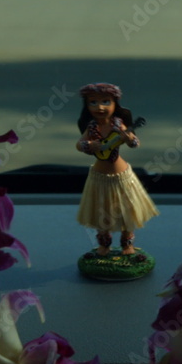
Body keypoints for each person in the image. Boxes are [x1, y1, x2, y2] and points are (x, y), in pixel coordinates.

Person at [75, 83, 158, 256]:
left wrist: (129, 139)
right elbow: (79, 144)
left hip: (121, 176)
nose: (100, 107)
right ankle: (104, 245)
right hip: (99, 177)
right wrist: (89, 145)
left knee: (127, 212)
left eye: (106, 102)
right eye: (93, 102)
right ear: (86, 105)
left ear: (115, 104)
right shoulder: (92, 127)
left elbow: (135, 143)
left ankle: (127, 244)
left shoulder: (118, 125)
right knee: (101, 214)